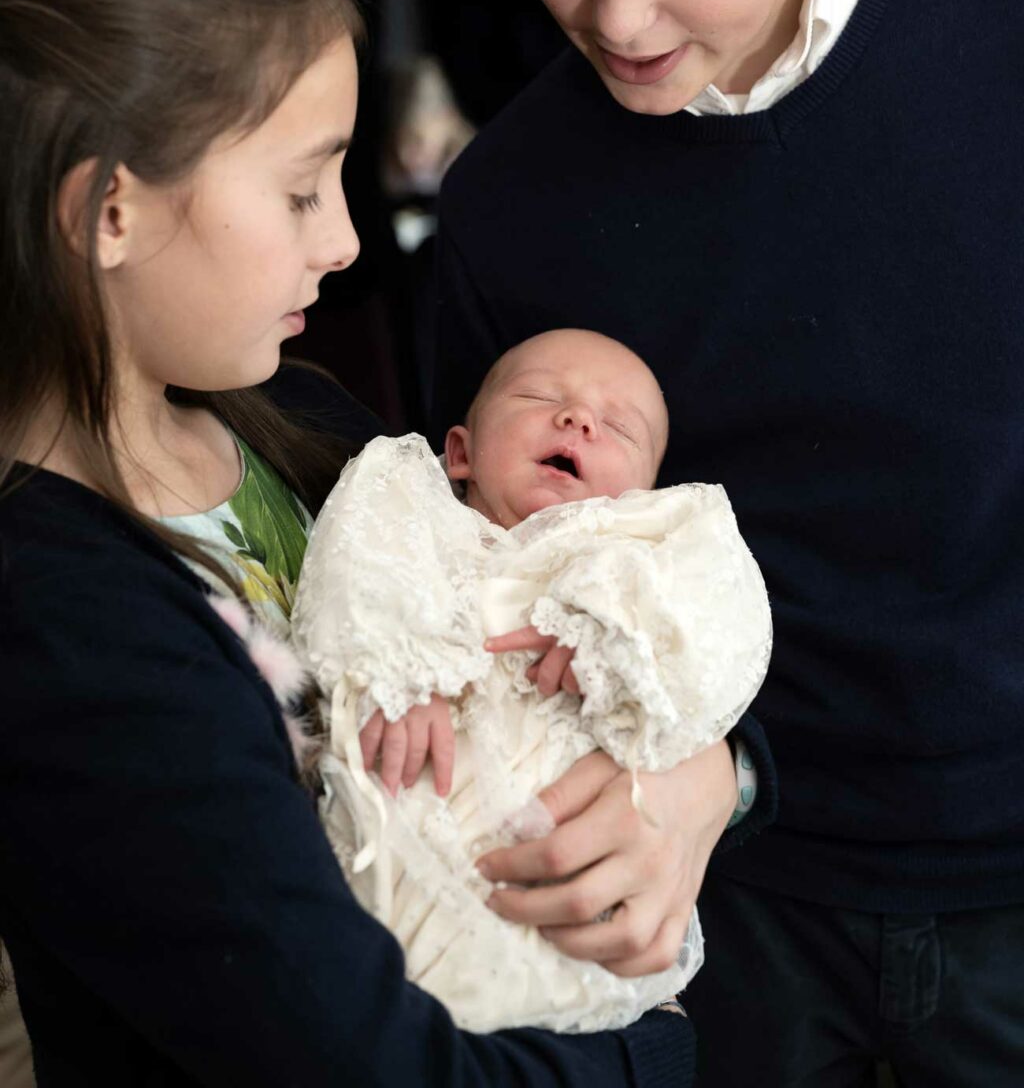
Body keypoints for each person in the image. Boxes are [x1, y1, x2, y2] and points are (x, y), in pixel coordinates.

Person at [431, 0, 1024, 1084]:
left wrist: (743, 764)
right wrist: (714, 775)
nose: (618, 19)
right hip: (718, 933)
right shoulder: (507, 208)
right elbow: (489, 596)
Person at [0, 0, 696, 1087]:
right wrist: (660, 1057)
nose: (344, 239)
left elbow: (539, 579)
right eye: (299, 186)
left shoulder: (304, 423)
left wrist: (703, 779)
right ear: (106, 211)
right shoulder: (61, 632)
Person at [291, 327, 771, 1033]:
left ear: (646, 493)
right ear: (460, 453)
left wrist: (614, 637)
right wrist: (402, 669)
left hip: (576, 909)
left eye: (618, 426)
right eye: (541, 397)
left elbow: (728, 631)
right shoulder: (409, 495)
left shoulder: (663, 541)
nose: (577, 420)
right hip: (388, 865)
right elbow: (360, 559)